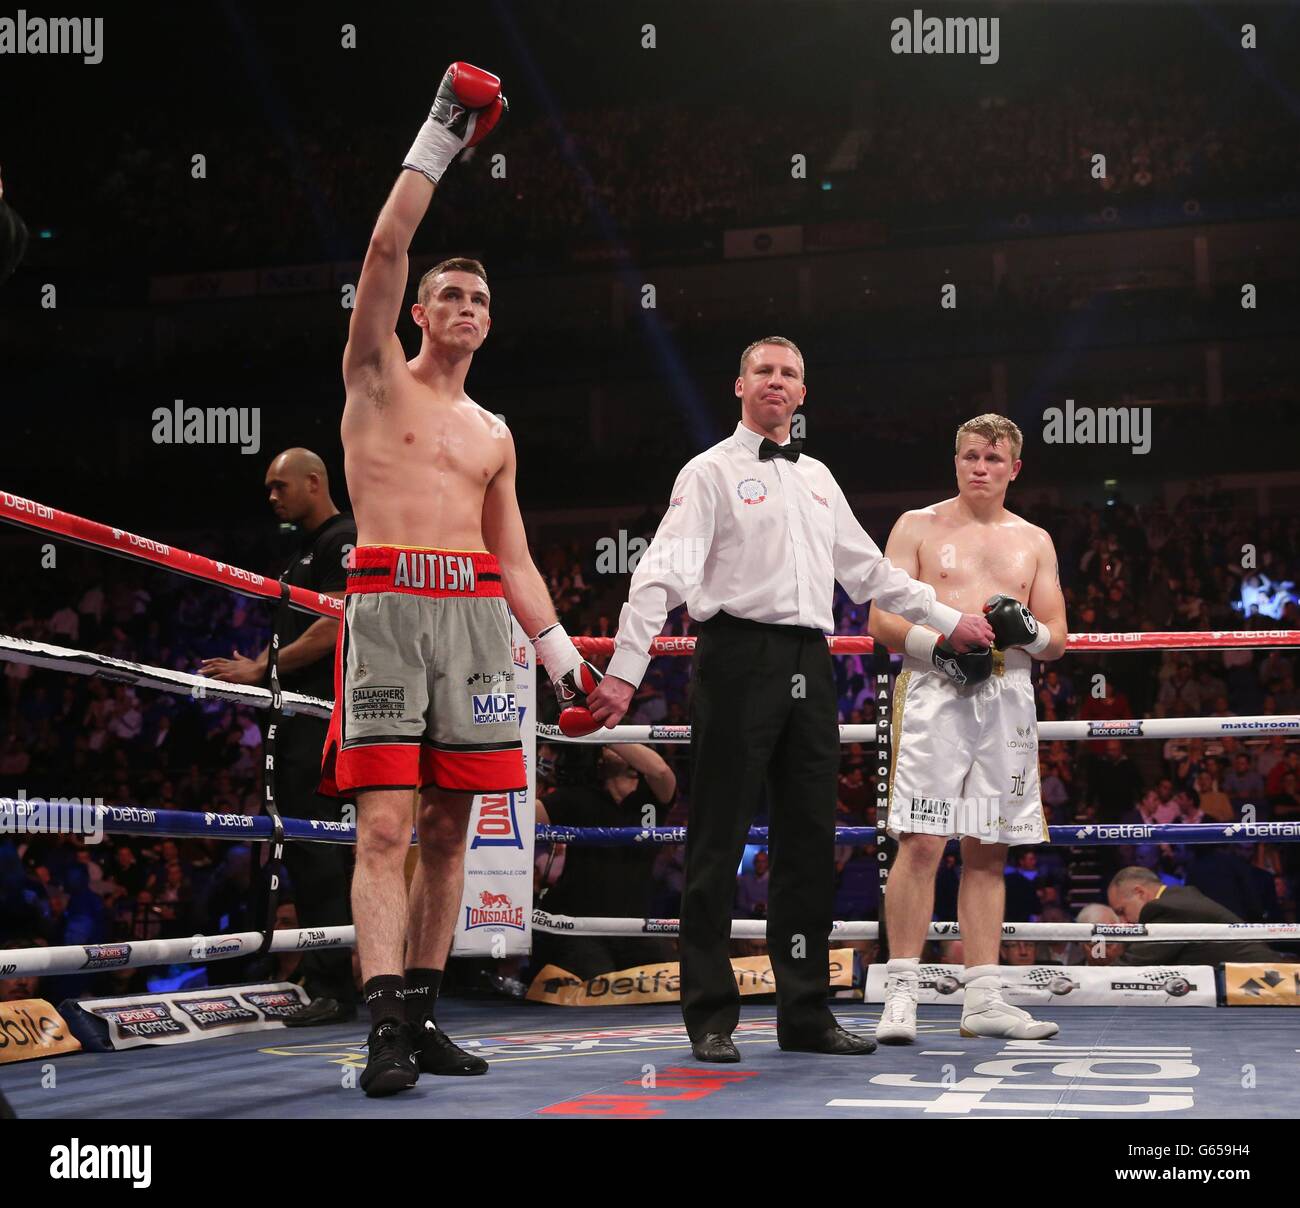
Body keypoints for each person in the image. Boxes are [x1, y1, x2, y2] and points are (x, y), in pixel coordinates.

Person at [587, 337, 994, 1062]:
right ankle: (710, 1015)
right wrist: (625, 669)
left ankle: (804, 1014)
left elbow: (870, 573)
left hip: (811, 663)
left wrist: (948, 619)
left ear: (803, 394)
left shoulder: (818, 478)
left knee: (809, 843)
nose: (777, 382)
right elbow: (661, 573)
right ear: (739, 385)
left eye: (790, 374)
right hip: (736, 657)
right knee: (717, 838)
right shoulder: (708, 472)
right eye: (765, 371)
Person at [320, 62, 602, 1097]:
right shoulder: (373, 375)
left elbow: (516, 557)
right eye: (450, 292)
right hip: (390, 607)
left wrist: (569, 665)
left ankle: (427, 1009)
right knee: (386, 825)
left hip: (480, 617)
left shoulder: (494, 431)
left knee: (449, 828)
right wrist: (442, 133)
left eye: (480, 297)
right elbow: (388, 244)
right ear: (420, 310)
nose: (466, 305)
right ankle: (383, 1023)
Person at [868, 413, 1068, 1045]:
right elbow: (879, 619)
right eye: (970, 457)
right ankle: (900, 991)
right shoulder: (917, 527)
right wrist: (940, 645)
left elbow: (1057, 640)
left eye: (993, 457)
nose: (980, 467)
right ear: (955, 462)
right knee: (922, 841)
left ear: (1015, 467)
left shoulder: (1034, 540)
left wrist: (1027, 631)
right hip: (935, 693)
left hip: (1007, 696)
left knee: (989, 848)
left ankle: (983, 996)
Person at [201, 447, 359, 1025]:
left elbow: (339, 620)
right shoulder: (303, 552)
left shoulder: (342, 537)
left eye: (279, 486)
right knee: (307, 850)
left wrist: (262, 668)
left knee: (316, 852)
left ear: (314, 482)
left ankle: (335, 988)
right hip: (301, 716)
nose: (271, 497)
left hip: (321, 720)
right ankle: (332, 982)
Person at [532, 744, 677, 978]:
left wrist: (606, 731)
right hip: (582, 930)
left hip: (636, 929)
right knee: (598, 987)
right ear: (599, 755)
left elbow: (660, 770)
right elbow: (524, 814)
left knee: (673, 987)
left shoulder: (653, 797)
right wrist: (541, 762)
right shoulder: (578, 797)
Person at [1107, 865, 1283, 967]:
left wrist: (1086, 977)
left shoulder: (1167, 908)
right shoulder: (1177, 898)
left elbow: (1133, 964)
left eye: (1121, 911)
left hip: (1266, 985)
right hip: (1257, 982)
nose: (1123, 922)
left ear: (1140, 893)